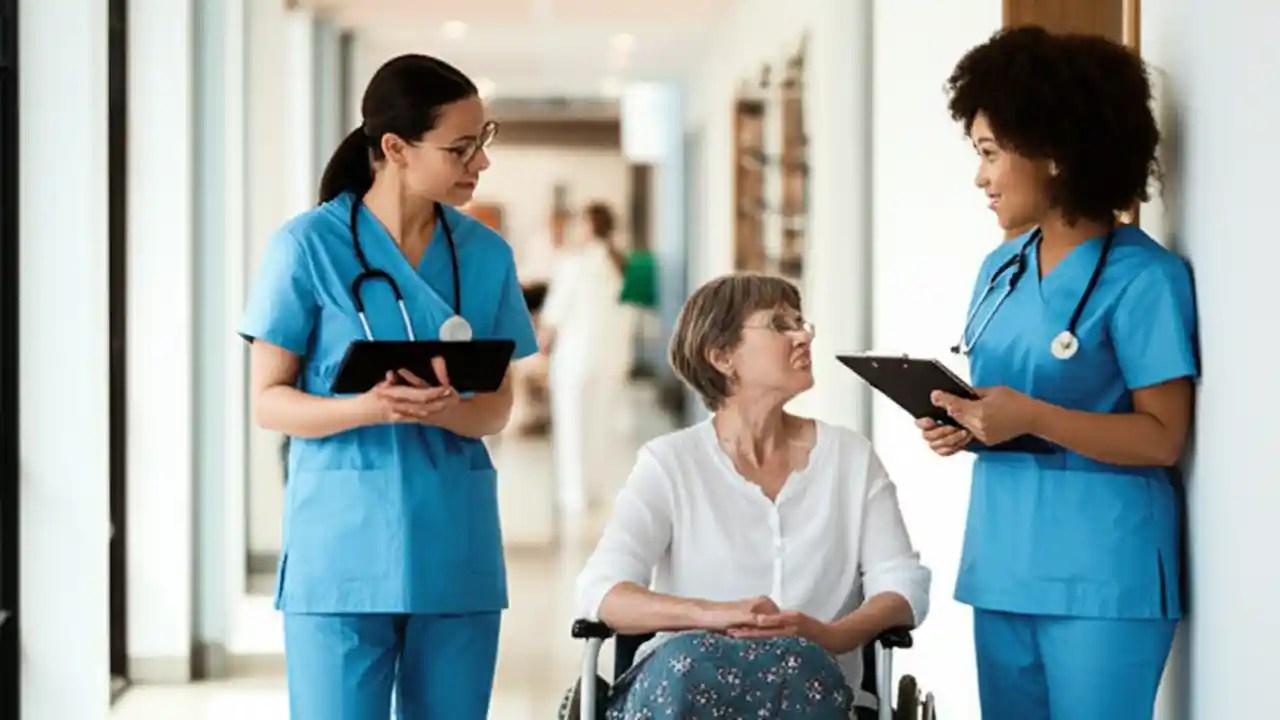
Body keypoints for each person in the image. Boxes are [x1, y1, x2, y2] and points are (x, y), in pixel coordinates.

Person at [237, 54, 538, 719]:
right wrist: (369, 407)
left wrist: (443, 412)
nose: (479, 163)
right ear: (396, 149)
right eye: (461, 147)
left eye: (483, 142)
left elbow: (498, 406)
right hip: (339, 550)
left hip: (454, 545)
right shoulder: (307, 247)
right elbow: (268, 403)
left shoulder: (485, 255)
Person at [922, 26, 1198, 720]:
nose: (979, 177)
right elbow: (1006, 401)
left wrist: (1033, 416)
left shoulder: (1144, 280)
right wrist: (966, 425)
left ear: (1052, 153)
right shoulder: (1001, 270)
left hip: (1104, 573)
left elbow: (1163, 437)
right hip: (1003, 561)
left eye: (989, 153)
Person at [575, 273, 931, 718]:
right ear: (723, 357)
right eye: (781, 325)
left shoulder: (850, 459)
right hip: (686, 686)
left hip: (811, 685)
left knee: (801, 662)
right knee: (690, 666)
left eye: (802, 323)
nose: (803, 336)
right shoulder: (669, 463)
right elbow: (601, 591)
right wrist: (713, 615)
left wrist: (834, 634)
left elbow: (902, 583)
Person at [539, 201, 631, 513]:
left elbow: (555, 313)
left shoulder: (574, 264)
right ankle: (598, 488)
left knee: (572, 425)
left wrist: (542, 341)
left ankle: (574, 492)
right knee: (601, 425)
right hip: (611, 358)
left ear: (588, 227)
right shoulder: (621, 265)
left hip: (576, 358)